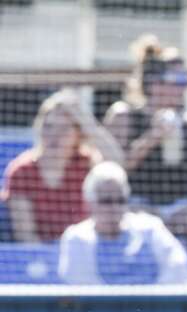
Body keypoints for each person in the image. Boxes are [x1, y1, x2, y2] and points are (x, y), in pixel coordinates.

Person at [103, 34, 187, 280]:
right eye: (176, 80)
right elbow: (112, 170)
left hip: (180, 208)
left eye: (185, 80)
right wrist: (152, 137)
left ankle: (185, 274)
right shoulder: (124, 116)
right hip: (137, 204)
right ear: (154, 83)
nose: (183, 87)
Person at [0, 89, 125, 243]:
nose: (54, 136)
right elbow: (26, 236)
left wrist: (88, 123)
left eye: (64, 129)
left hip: (83, 250)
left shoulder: (87, 163)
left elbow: (117, 162)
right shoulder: (21, 171)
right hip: (41, 260)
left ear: (78, 135)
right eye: (49, 126)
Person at [58, 161, 187, 285]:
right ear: (90, 202)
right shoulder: (76, 239)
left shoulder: (150, 228)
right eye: (106, 201)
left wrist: (150, 302)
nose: (114, 207)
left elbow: (178, 267)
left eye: (120, 200)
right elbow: (79, 286)